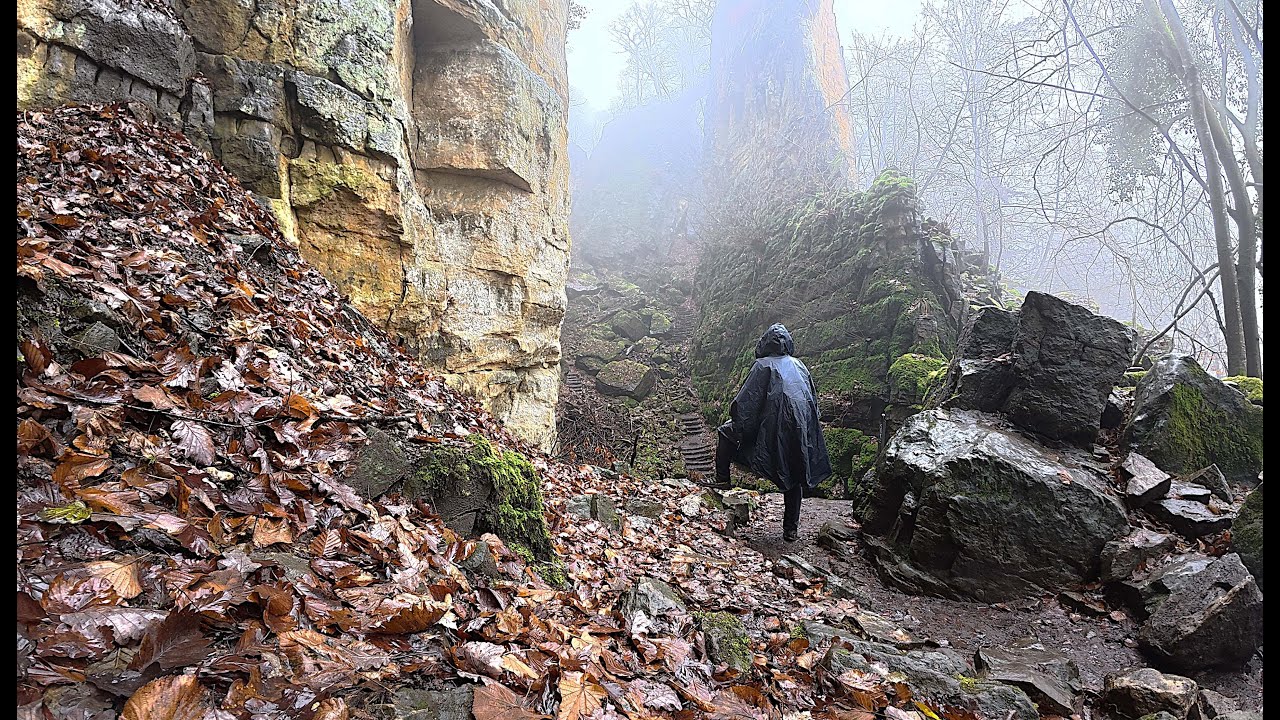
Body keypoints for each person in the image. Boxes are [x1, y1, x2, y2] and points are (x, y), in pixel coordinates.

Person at [713, 323, 831, 542]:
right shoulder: (800, 365)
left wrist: (740, 431)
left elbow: (746, 406)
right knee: (795, 472)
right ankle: (790, 529)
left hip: (772, 430)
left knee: (724, 434)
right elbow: (812, 402)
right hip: (800, 431)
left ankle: (722, 481)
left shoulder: (762, 366)